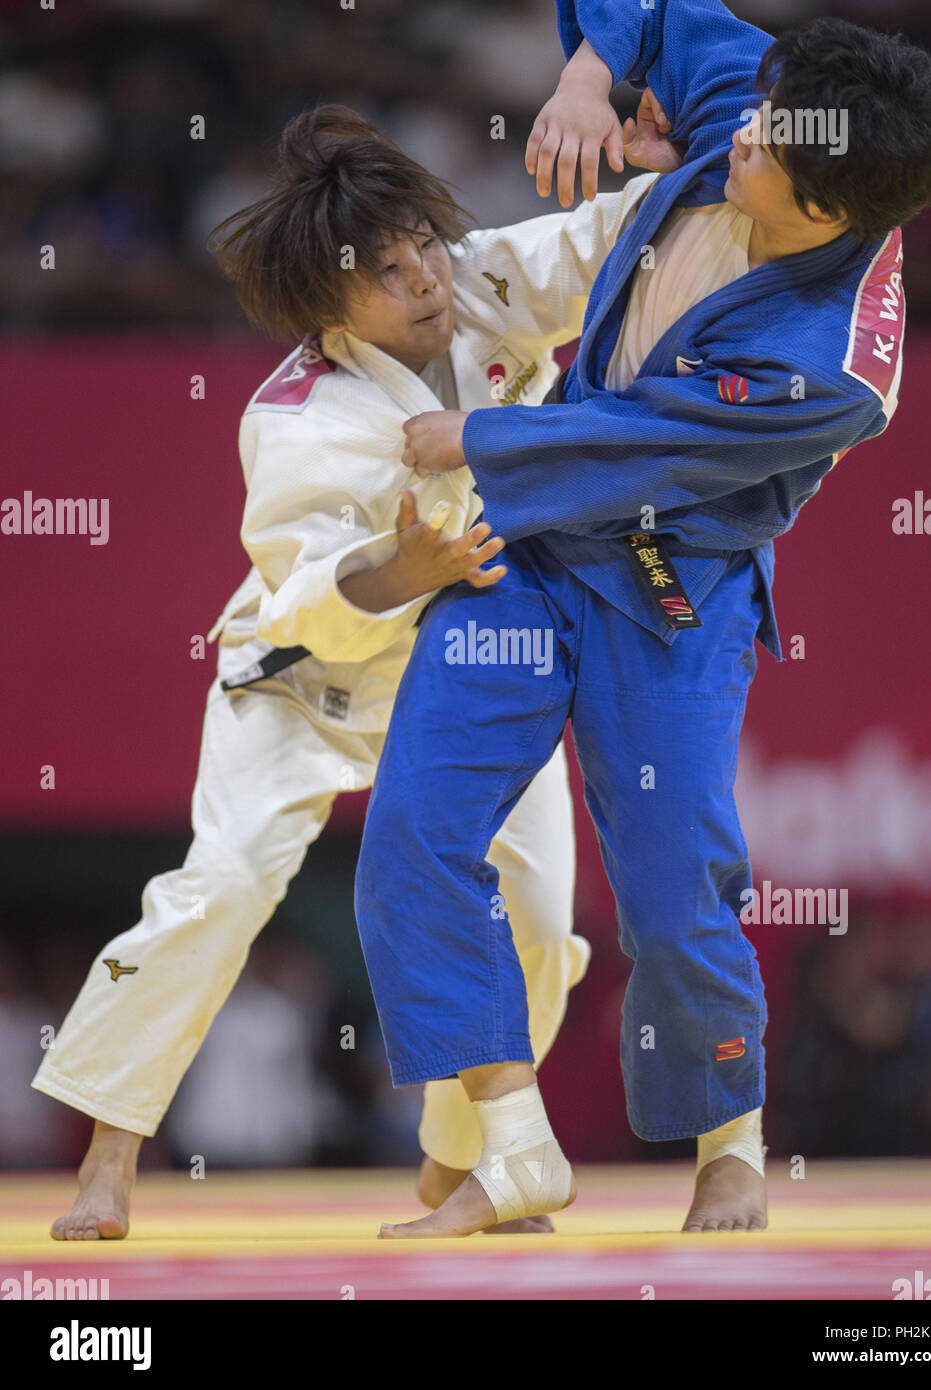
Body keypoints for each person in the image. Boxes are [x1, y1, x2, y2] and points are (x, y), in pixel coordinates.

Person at [352, 0, 931, 1237]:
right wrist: (587, 72)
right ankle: (514, 1151)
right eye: (757, 113)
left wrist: (479, 432)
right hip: (520, 556)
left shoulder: (833, 360)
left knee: (678, 888)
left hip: (666, 590)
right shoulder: (784, 109)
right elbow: (657, 8)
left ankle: (728, 1139)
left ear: (834, 212)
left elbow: (650, 442)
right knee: (412, 830)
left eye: (764, 148)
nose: (738, 136)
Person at [30, 102, 673, 1239]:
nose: (425, 277)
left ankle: (458, 1161)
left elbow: (604, 237)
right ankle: (109, 1157)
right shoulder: (298, 419)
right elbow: (308, 594)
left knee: (536, 919)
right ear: (328, 309)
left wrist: (683, 168)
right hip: (303, 683)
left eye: (424, 241)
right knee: (220, 888)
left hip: (471, 669)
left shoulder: (480, 283)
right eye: (387, 271)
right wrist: (399, 564)